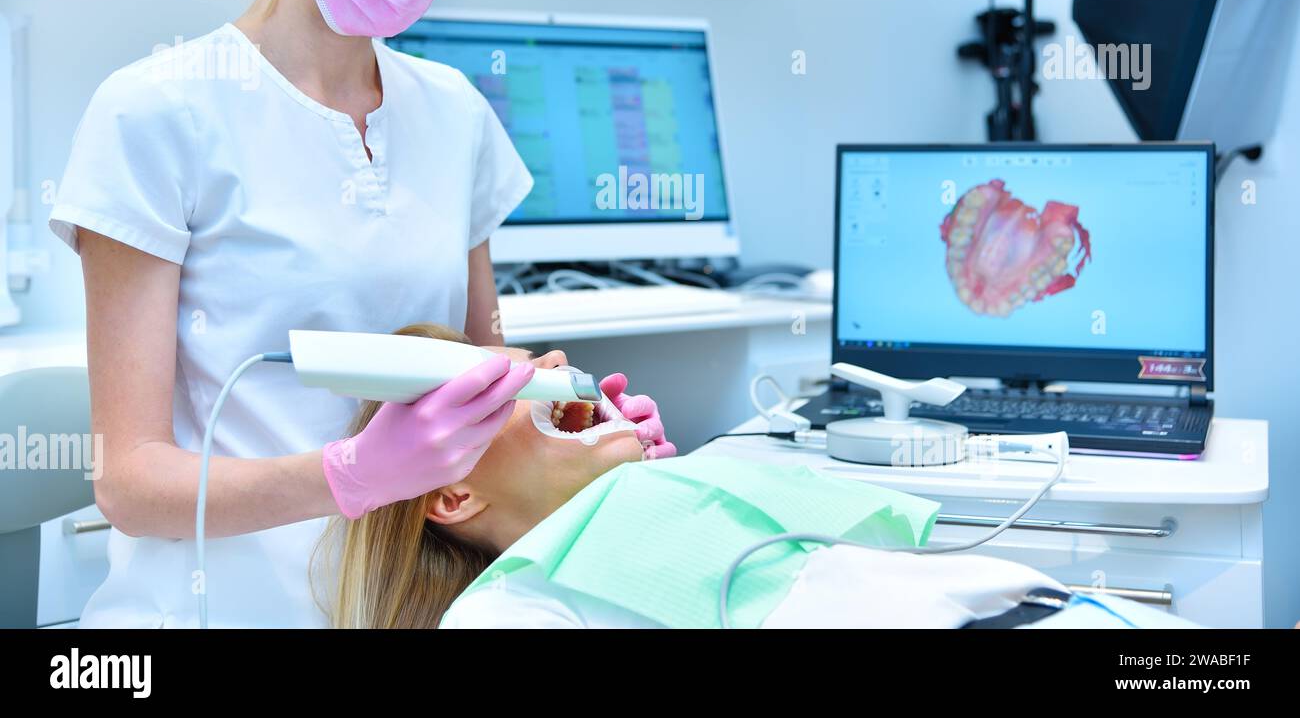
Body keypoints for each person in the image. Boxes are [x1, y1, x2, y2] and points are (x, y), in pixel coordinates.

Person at [48, 0, 669, 628]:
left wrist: (576, 422)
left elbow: (490, 376)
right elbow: (131, 484)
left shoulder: (454, 112)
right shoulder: (158, 112)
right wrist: (348, 473)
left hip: (408, 607)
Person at [317, 325, 1198, 630]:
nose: (547, 362)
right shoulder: (506, 610)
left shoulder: (675, 506)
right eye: (491, 385)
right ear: (451, 491)